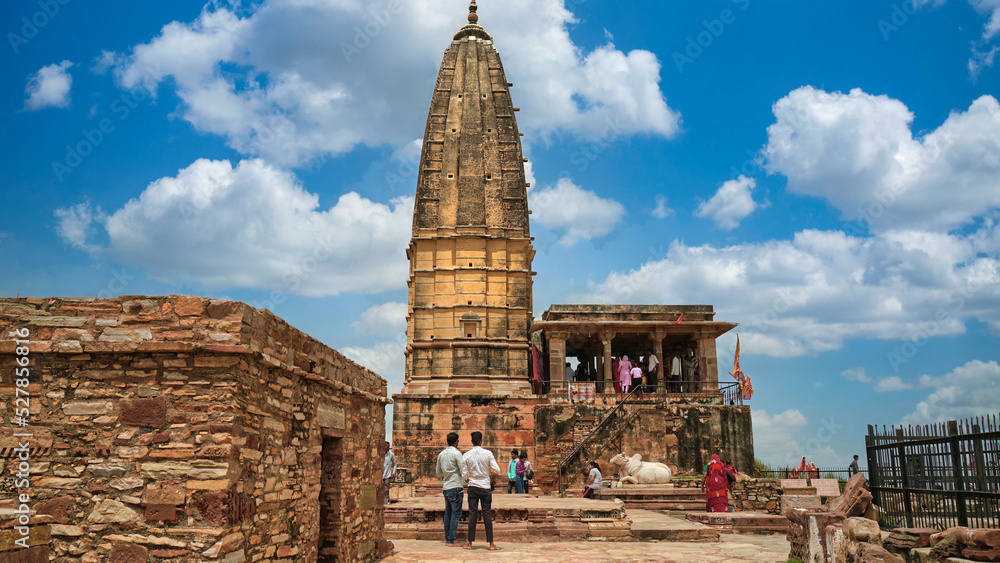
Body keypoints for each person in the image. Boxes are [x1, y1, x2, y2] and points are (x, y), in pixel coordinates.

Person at [461, 431, 501, 551]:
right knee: (487, 514)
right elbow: (497, 470)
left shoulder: (466, 455)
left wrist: (469, 480)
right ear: (481, 441)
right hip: (485, 486)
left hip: (473, 486)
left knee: (472, 514)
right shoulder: (488, 453)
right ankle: (491, 544)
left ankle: (469, 543)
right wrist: (492, 478)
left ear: (472, 441)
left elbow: (464, 474)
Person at [435, 432, 464, 547]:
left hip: (446, 486)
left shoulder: (442, 454)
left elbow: (438, 471)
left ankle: (448, 538)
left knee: (448, 513)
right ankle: (452, 540)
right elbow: (462, 470)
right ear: (456, 441)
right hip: (455, 486)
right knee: (455, 514)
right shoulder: (457, 453)